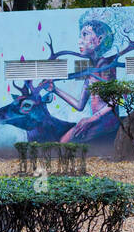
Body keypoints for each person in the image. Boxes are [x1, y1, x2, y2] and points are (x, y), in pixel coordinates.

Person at [42, 16, 119, 145]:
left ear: (99, 40)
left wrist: (90, 120)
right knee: (63, 142)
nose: (80, 41)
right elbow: (79, 106)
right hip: (97, 121)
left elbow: (114, 101)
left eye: (85, 35)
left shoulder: (105, 66)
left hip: (106, 122)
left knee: (64, 143)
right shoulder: (91, 72)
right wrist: (54, 90)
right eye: (80, 36)